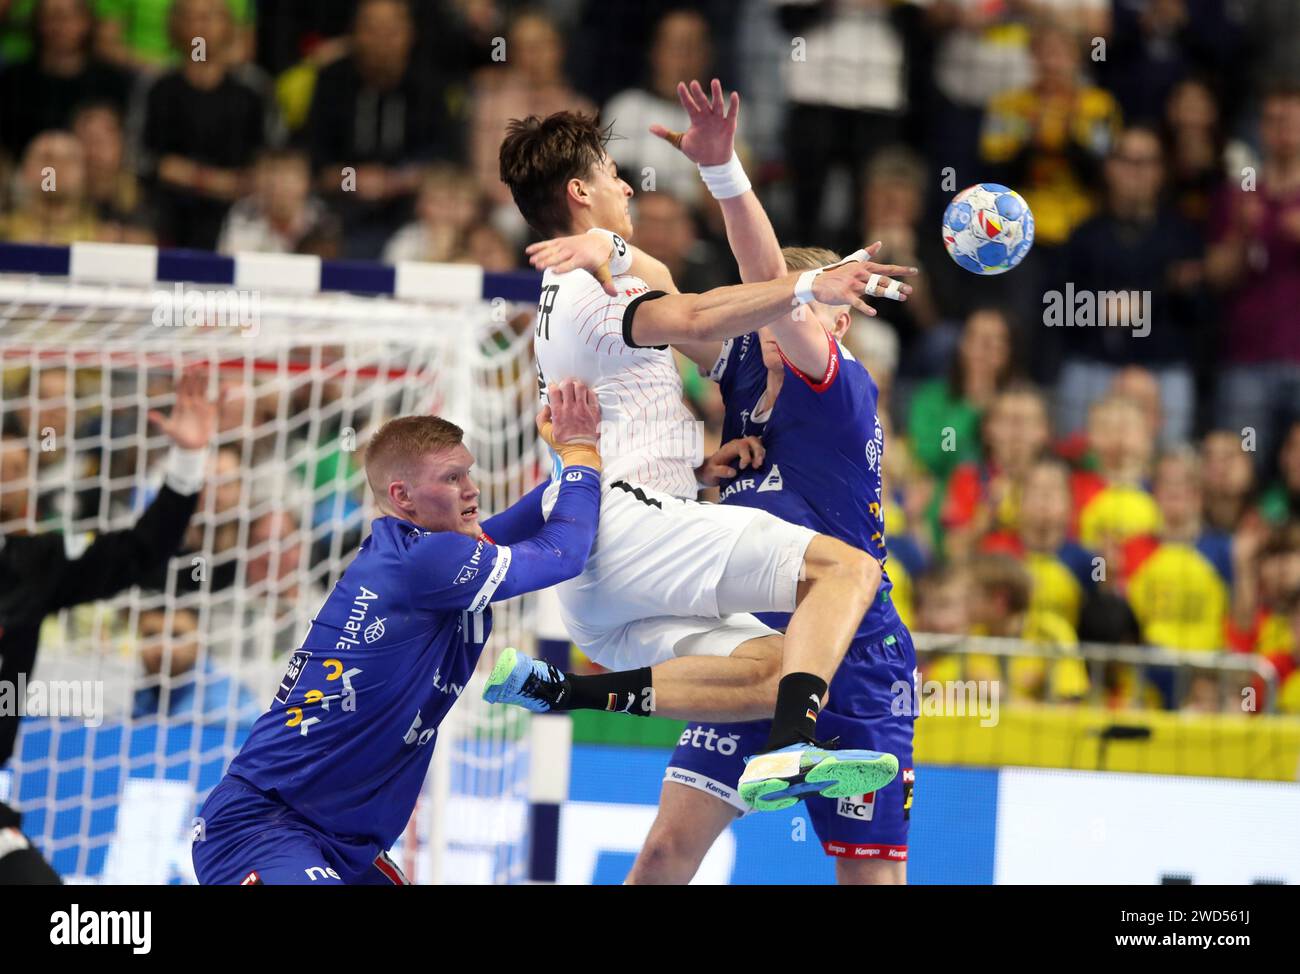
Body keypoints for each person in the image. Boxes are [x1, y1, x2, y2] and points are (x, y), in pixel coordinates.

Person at [488, 82, 916, 811]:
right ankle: (789, 751)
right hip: (629, 530)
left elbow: (671, 290)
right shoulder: (597, 296)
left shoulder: (830, 378)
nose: (628, 184)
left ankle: (563, 690)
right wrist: (807, 279)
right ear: (581, 188)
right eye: (615, 178)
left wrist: (693, 461)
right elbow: (700, 306)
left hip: (609, 581)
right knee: (851, 571)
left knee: (770, 671)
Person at [191, 381, 605, 885]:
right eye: (452, 478)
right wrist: (581, 451)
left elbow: (542, 512)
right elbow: (564, 552)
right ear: (401, 495)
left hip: (342, 842)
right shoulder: (427, 561)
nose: (471, 488)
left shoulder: (427, 555)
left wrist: (640, 471)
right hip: (265, 827)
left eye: (468, 471)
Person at [629, 247, 915, 884]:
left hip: (855, 664)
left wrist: (723, 173)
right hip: (756, 659)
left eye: (800, 304)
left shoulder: (838, 386)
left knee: (869, 879)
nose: (777, 318)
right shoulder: (743, 379)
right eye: (769, 308)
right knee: (663, 853)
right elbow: (678, 298)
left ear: (836, 322)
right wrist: (607, 246)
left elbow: (766, 282)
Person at [0, 366, 216, 884]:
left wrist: (187, 459)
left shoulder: (34, 562)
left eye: (18, 469)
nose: (12, 478)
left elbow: (138, 555)